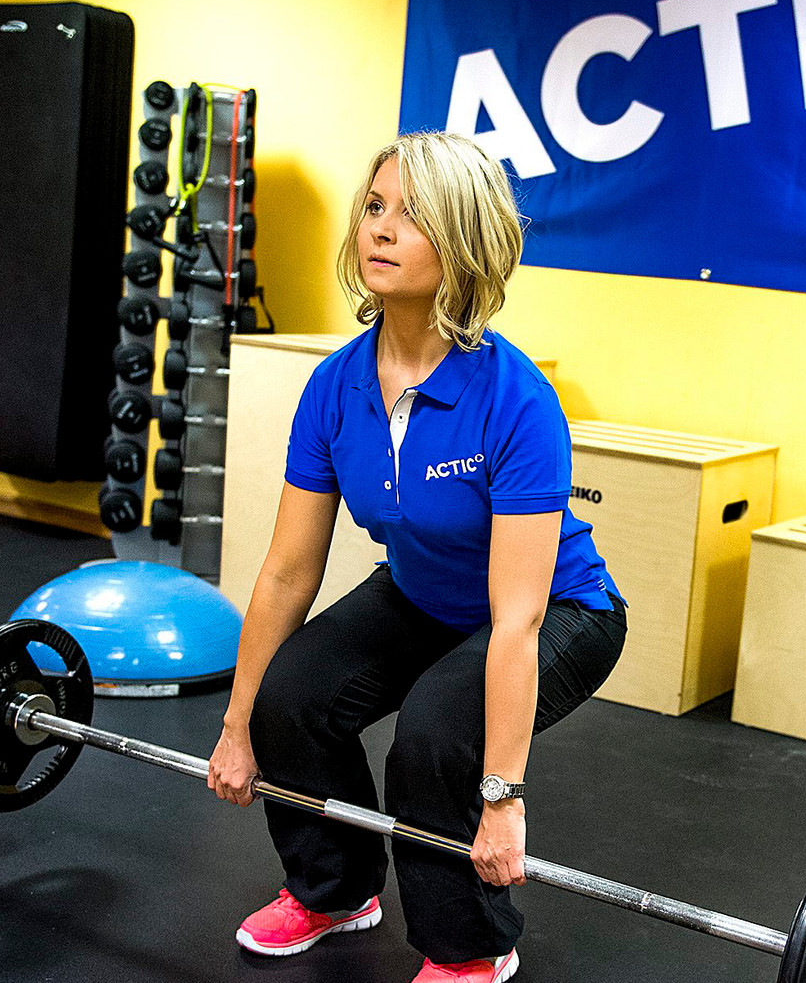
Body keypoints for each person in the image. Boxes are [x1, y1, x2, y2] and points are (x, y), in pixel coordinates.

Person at [206, 132, 626, 983]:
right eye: (373, 208)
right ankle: (334, 891)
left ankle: (469, 947)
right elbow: (289, 571)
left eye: (413, 215)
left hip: (559, 613)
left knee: (436, 734)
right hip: (423, 593)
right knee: (289, 697)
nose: (380, 231)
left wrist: (503, 799)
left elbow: (518, 617)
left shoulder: (516, 402)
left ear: (466, 241)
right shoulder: (335, 386)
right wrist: (237, 724)